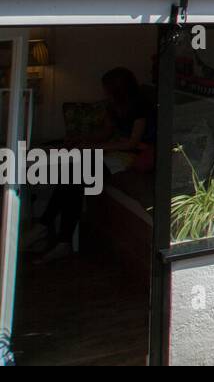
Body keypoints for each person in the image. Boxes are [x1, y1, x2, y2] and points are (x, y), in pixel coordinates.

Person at [29, 67, 157, 263]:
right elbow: (106, 132)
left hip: (134, 155)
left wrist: (96, 147)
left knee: (75, 177)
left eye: (107, 90)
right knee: (73, 176)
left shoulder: (140, 107)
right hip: (115, 151)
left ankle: (46, 229)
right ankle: (58, 237)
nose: (104, 93)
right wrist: (82, 139)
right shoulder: (114, 106)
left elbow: (131, 143)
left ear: (119, 90)